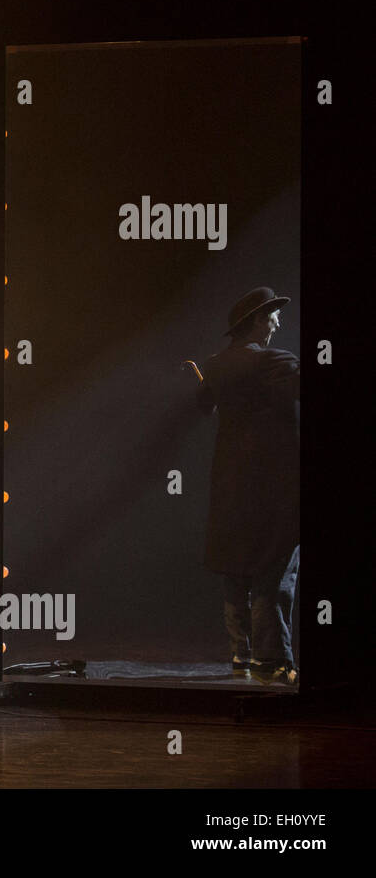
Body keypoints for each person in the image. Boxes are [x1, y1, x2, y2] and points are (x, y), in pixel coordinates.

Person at [199, 286, 300, 686]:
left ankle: (241, 656)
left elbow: (203, 403)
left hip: (229, 487)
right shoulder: (275, 361)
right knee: (273, 574)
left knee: (236, 571)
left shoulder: (216, 364)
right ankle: (272, 661)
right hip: (273, 489)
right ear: (258, 320)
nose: (278, 322)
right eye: (273, 315)